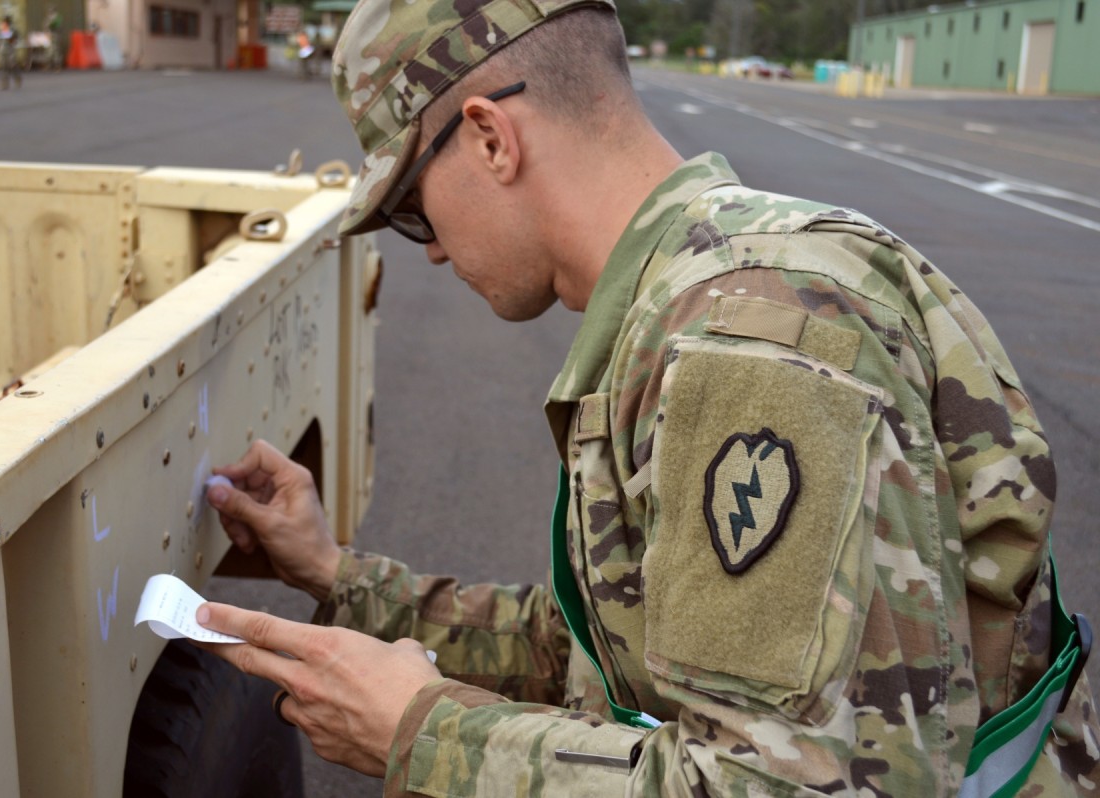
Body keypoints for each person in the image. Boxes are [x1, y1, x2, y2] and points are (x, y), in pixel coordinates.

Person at [195, 0, 1100, 794]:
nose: (428, 249)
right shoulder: (693, 302)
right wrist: (333, 575)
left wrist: (423, 738)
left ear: (489, 139)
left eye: (412, 209)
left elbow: (786, 785)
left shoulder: (746, 340)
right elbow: (605, 658)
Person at [0, 16, 22, 90]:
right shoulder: (1, 30)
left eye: (5, 22)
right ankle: (4, 84)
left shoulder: (13, 30)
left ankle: (17, 78)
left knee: (12, 66)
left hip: (10, 51)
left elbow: (17, 39)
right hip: (3, 51)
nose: (3, 23)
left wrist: (12, 40)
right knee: (4, 68)